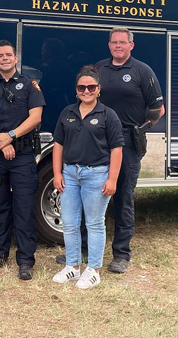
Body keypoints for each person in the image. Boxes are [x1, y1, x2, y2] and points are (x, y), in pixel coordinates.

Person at [55, 27, 164, 274]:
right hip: (94, 139)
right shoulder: (99, 69)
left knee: (123, 197)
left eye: (122, 42)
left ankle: (121, 254)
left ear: (131, 46)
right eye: (114, 42)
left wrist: (140, 128)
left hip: (126, 141)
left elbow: (158, 110)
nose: (118, 46)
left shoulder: (142, 71)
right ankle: (81, 251)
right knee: (86, 197)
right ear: (109, 45)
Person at [0, 40, 45, 280]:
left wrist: (11, 137)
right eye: (0, 56)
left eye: (8, 55)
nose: (4, 58)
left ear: (15, 59)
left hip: (22, 156)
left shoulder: (29, 86)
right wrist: (0, 141)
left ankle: (25, 260)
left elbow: (35, 117)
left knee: (24, 208)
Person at [51, 65, 124, 289]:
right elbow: (58, 145)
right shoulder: (68, 113)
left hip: (97, 175)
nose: (86, 91)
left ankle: (93, 270)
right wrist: (57, 174)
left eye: (91, 87)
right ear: (76, 90)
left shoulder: (108, 115)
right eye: (82, 87)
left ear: (98, 89)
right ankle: (72, 267)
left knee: (94, 224)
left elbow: (116, 150)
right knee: (71, 224)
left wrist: (112, 179)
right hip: (70, 175)